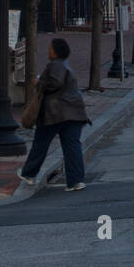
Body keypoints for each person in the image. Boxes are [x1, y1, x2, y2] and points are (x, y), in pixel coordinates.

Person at [17, 39, 91, 191]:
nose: (49, 50)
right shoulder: (66, 66)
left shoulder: (55, 65)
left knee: (40, 143)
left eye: (51, 48)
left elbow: (55, 83)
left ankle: (29, 174)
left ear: (56, 51)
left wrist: (38, 83)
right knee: (72, 146)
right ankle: (76, 180)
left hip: (54, 112)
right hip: (74, 112)